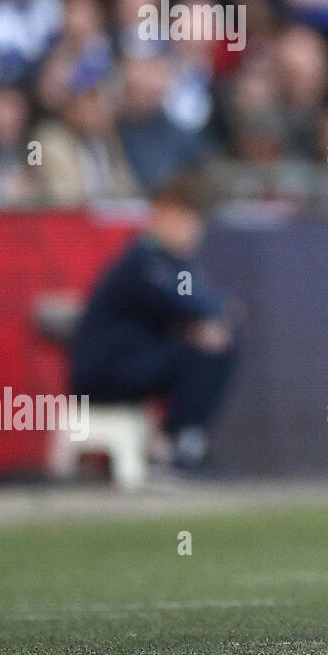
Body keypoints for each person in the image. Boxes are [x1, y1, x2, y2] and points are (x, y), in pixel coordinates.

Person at [69, 171, 237, 473]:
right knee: (203, 351)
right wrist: (207, 323)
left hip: (136, 364)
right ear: (164, 216)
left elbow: (216, 306)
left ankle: (185, 441)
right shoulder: (141, 261)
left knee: (217, 343)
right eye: (186, 220)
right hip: (103, 374)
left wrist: (211, 321)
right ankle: (174, 446)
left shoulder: (176, 264)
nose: (194, 232)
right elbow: (195, 304)